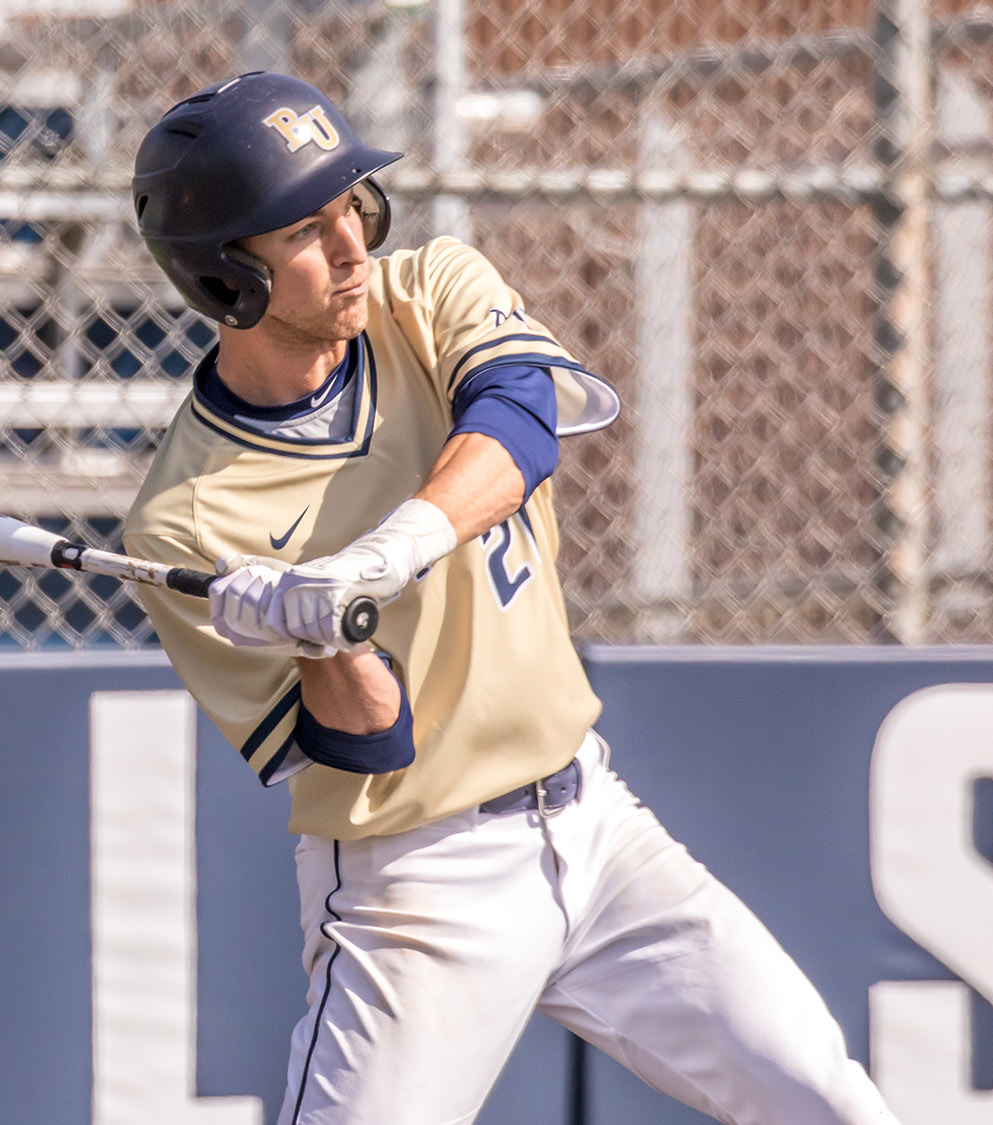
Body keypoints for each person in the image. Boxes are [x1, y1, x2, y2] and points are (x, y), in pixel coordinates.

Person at [123, 72, 900, 1125]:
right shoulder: (185, 517)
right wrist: (316, 642)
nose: (351, 243)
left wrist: (377, 557)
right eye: (306, 229)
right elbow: (369, 747)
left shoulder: (427, 290)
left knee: (827, 1098)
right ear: (225, 279)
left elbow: (521, 426)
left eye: (351, 204)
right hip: (418, 886)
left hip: (596, 828)